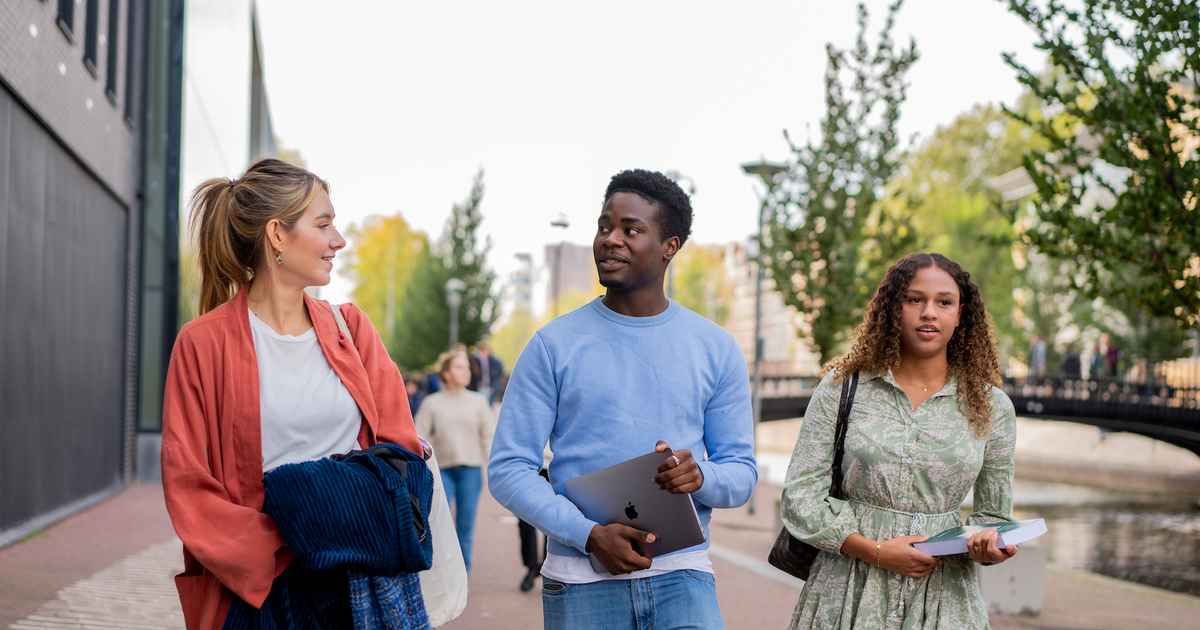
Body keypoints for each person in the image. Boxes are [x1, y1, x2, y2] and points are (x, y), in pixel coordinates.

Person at [160, 159, 424, 629]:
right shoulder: (203, 344)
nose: (337, 241)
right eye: (323, 224)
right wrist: (291, 540)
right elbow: (189, 487)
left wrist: (317, 513)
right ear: (277, 235)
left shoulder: (352, 328)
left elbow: (400, 452)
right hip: (256, 594)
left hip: (357, 590)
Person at [488, 169, 757, 630]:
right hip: (580, 582)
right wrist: (588, 536)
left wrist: (699, 476)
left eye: (631, 230)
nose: (611, 240)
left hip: (683, 577)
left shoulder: (716, 348)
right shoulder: (553, 345)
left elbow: (741, 474)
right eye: (604, 226)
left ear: (670, 246)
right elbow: (508, 469)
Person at [781, 252, 1019, 630]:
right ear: (894, 308)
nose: (929, 312)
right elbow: (799, 496)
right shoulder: (844, 387)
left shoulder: (992, 407)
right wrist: (873, 550)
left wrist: (988, 548)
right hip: (848, 591)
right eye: (914, 299)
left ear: (961, 314)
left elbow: (994, 516)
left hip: (943, 601)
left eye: (944, 302)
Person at [415, 348, 495, 574]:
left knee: (465, 525)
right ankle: (440, 571)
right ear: (446, 373)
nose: (466, 371)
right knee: (438, 524)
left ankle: (463, 572)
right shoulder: (432, 403)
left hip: (471, 471)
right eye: (459, 367)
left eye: (467, 367)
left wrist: (496, 467)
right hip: (441, 472)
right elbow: (418, 437)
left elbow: (489, 436)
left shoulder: (479, 402)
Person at [468, 339, 505, 404]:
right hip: (478, 386)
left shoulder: (495, 361)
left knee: (488, 404)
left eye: (485, 350)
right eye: (481, 350)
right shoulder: (474, 360)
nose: (483, 353)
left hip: (490, 386)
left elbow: (500, 371)